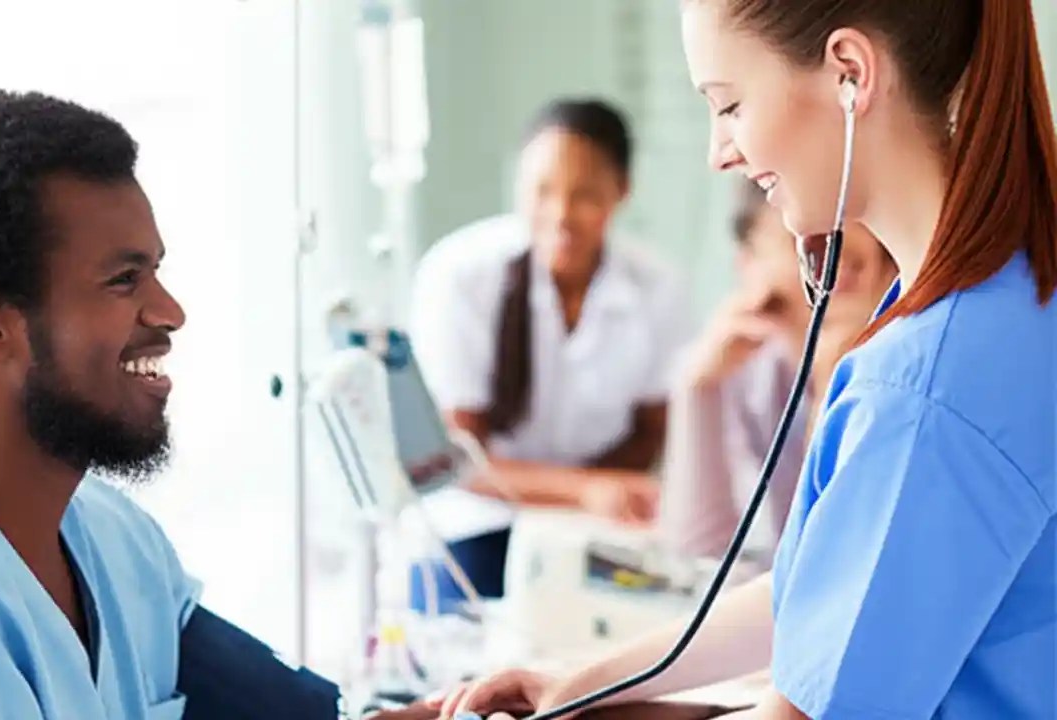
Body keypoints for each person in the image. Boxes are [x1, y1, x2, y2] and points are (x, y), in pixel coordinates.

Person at [430, 0, 1056, 717]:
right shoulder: (1005, 296)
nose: (718, 151)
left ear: (850, 74)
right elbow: (818, 586)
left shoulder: (924, 386)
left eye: (728, 105)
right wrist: (588, 681)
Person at [0, 91, 341, 719]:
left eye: (154, 271)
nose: (170, 312)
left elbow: (288, 713)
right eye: (124, 280)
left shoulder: (106, 532)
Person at [408, 99, 691, 603]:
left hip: (600, 524)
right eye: (541, 191)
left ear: (621, 192)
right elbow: (458, 456)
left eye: (584, 195)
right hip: (482, 522)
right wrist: (582, 490)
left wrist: (590, 498)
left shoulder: (657, 286)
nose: (560, 215)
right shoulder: (460, 277)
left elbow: (652, 430)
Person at [657, 180, 894, 566]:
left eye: (849, 220)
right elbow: (698, 555)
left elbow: (839, 563)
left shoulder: (906, 369)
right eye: (801, 239)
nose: (840, 245)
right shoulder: (755, 370)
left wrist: (828, 393)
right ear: (748, 267)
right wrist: (697, 390)